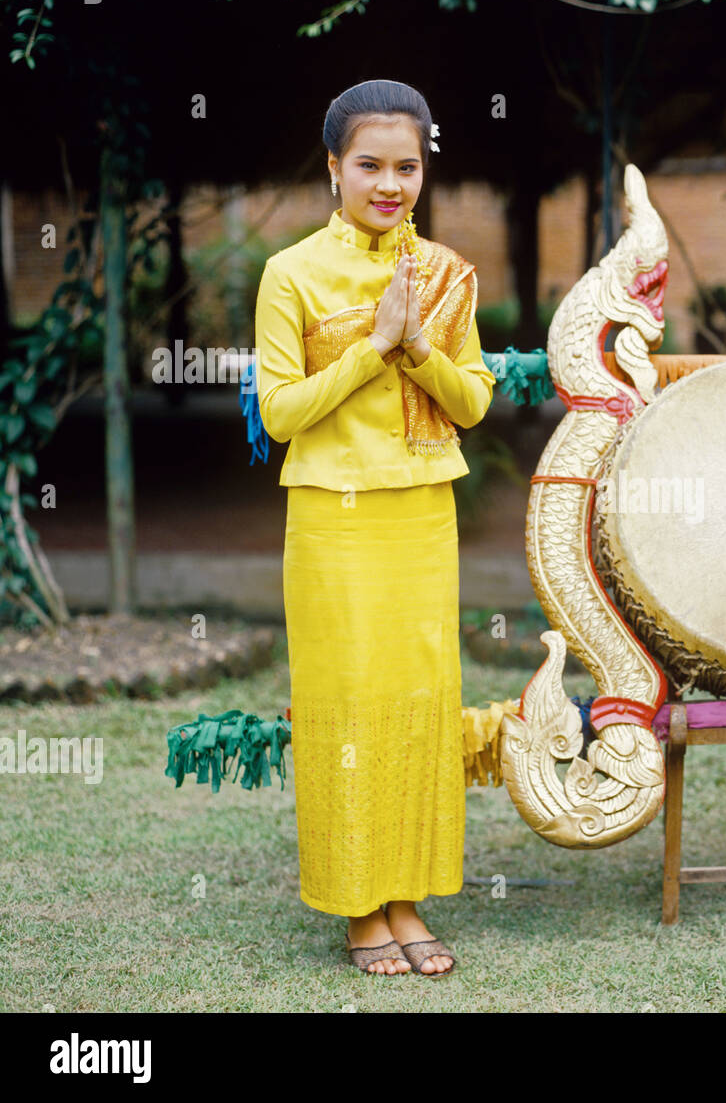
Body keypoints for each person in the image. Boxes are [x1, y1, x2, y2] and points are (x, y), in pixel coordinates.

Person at [254, 79, 495, 976]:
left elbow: (470, 402)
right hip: (334, 523)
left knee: (421, 703)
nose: (390, 183)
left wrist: (420, 343)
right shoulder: (292, 274)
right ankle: (360, 906)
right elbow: (280, 412)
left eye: (408, 165)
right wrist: (373, 344)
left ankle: (407, 898)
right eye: (370, 165)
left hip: (423, 516)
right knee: (349, 704)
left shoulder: (446, 274)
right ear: (333, 168)